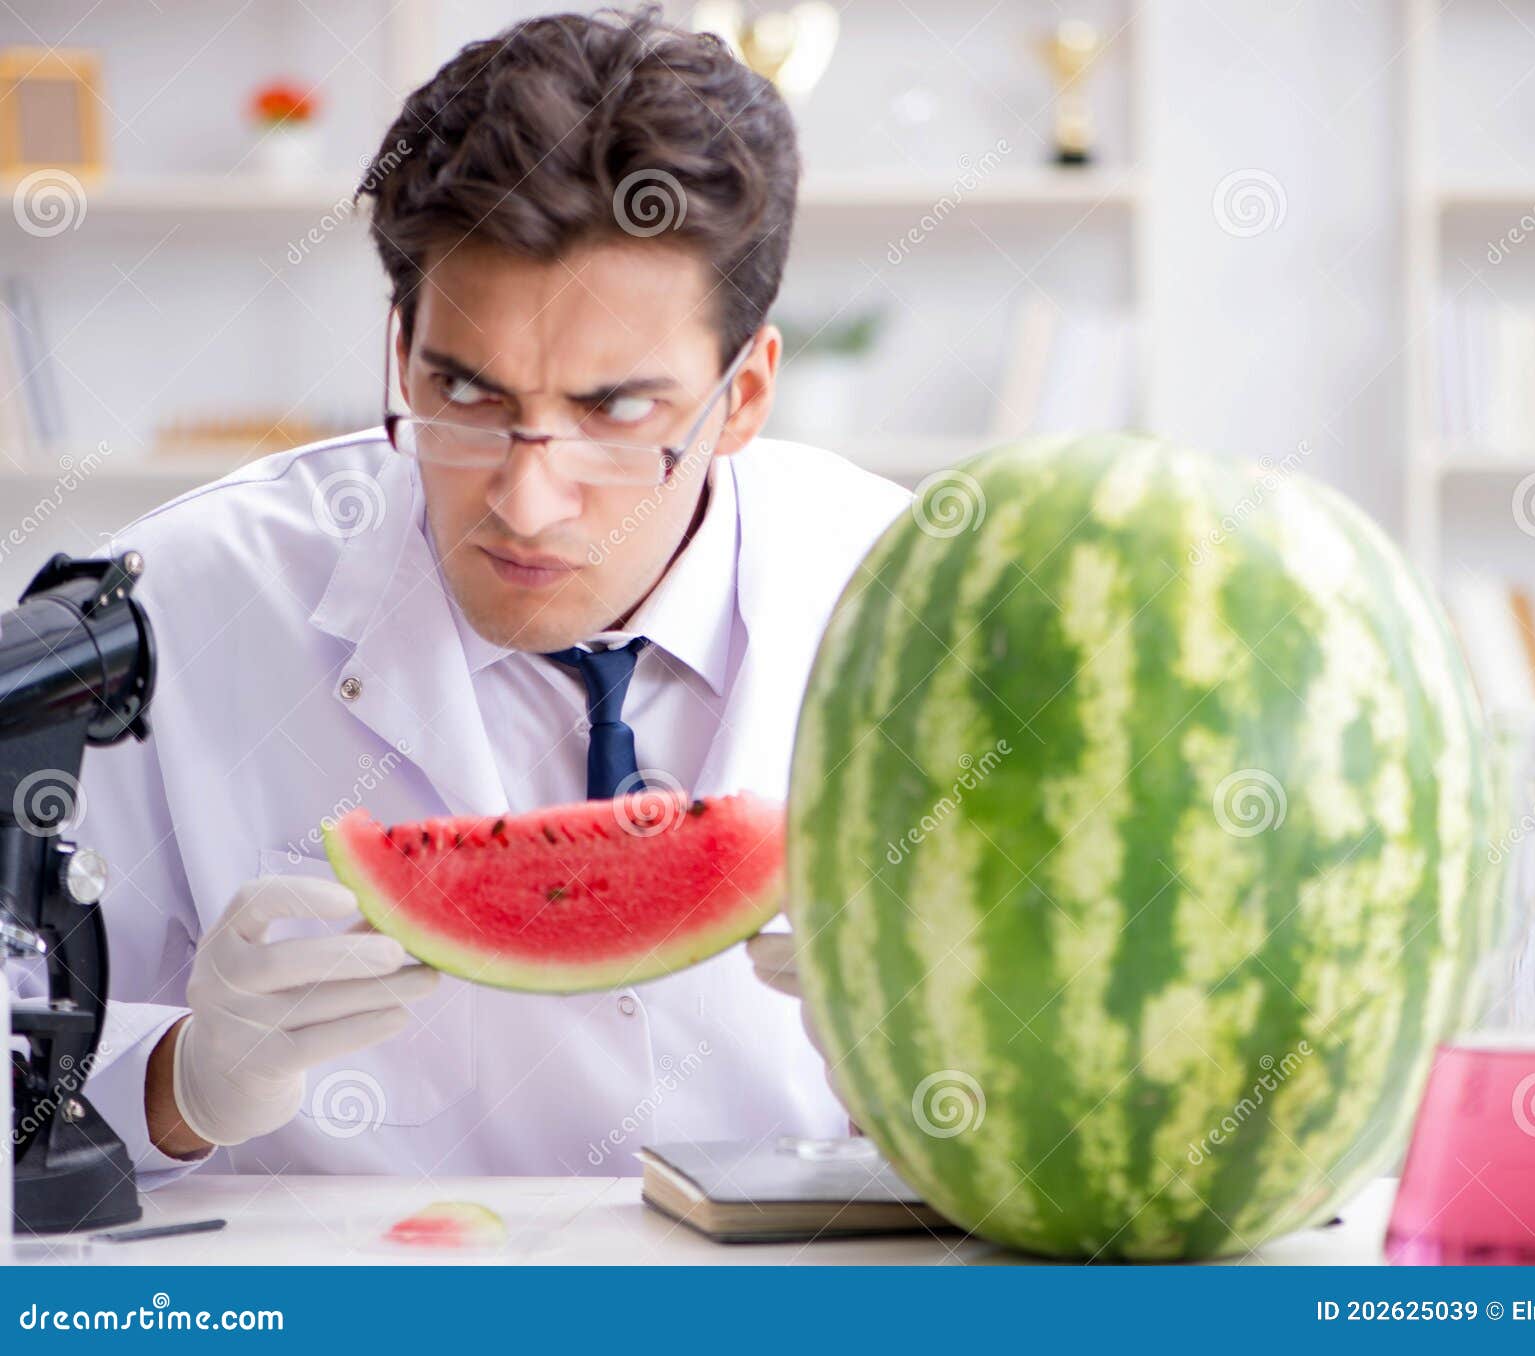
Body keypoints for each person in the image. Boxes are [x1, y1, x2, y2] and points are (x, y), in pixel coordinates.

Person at [36, 6, 910, 1184]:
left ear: (744, 393)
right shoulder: (179, 611)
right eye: (465, 391)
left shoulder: (913, 607)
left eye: (615, 413)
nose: (527, 499)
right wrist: (179, 1082)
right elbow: (14, 1075)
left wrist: (927, 1088)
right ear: (401, 350)